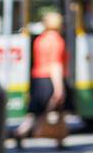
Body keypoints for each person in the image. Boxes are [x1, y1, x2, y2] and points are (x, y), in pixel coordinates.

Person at [18, 11, 68, 143]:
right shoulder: (57, 40)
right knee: (57, 111)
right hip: (50, 79)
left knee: (35, 112)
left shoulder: (40, 39)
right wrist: (59, 87)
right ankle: (59, 138)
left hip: (37, 78)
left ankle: (20, 132)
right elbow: (55, 65)